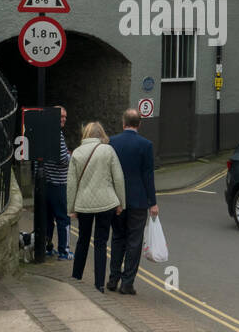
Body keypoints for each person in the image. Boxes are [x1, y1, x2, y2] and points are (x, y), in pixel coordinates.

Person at [67, 121, 125, 292]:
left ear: (85, 134)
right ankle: (99, 284)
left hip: (83, 204)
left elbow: (71, 184)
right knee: (101, 242)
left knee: (83, 240)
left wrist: (71, 208)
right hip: (106, 203)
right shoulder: (108, 150)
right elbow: (118, 178)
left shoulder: (77, 153)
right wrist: (121, 202)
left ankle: (76, 277)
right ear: (101, 134)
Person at [107, 108, 158, 295]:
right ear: (139, 124)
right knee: (134, 242)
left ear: (123, 122)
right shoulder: (146, 145)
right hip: (138, 201)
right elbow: (148, 175)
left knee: (118, 238)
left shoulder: (112, 142)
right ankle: (127, 283)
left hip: (116, 200)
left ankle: (113, 279)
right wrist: (153, 202)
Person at [40, 106, 72, 260]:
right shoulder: (57, 134)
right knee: (63, 218)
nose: (64, 119)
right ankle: (64, 251)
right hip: (58, 183)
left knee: (47, 219)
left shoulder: (43, 132)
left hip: (45, 182)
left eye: (65, 117)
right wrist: (70, 156)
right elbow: (63, 160)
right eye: (61, 117)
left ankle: (46, 248)